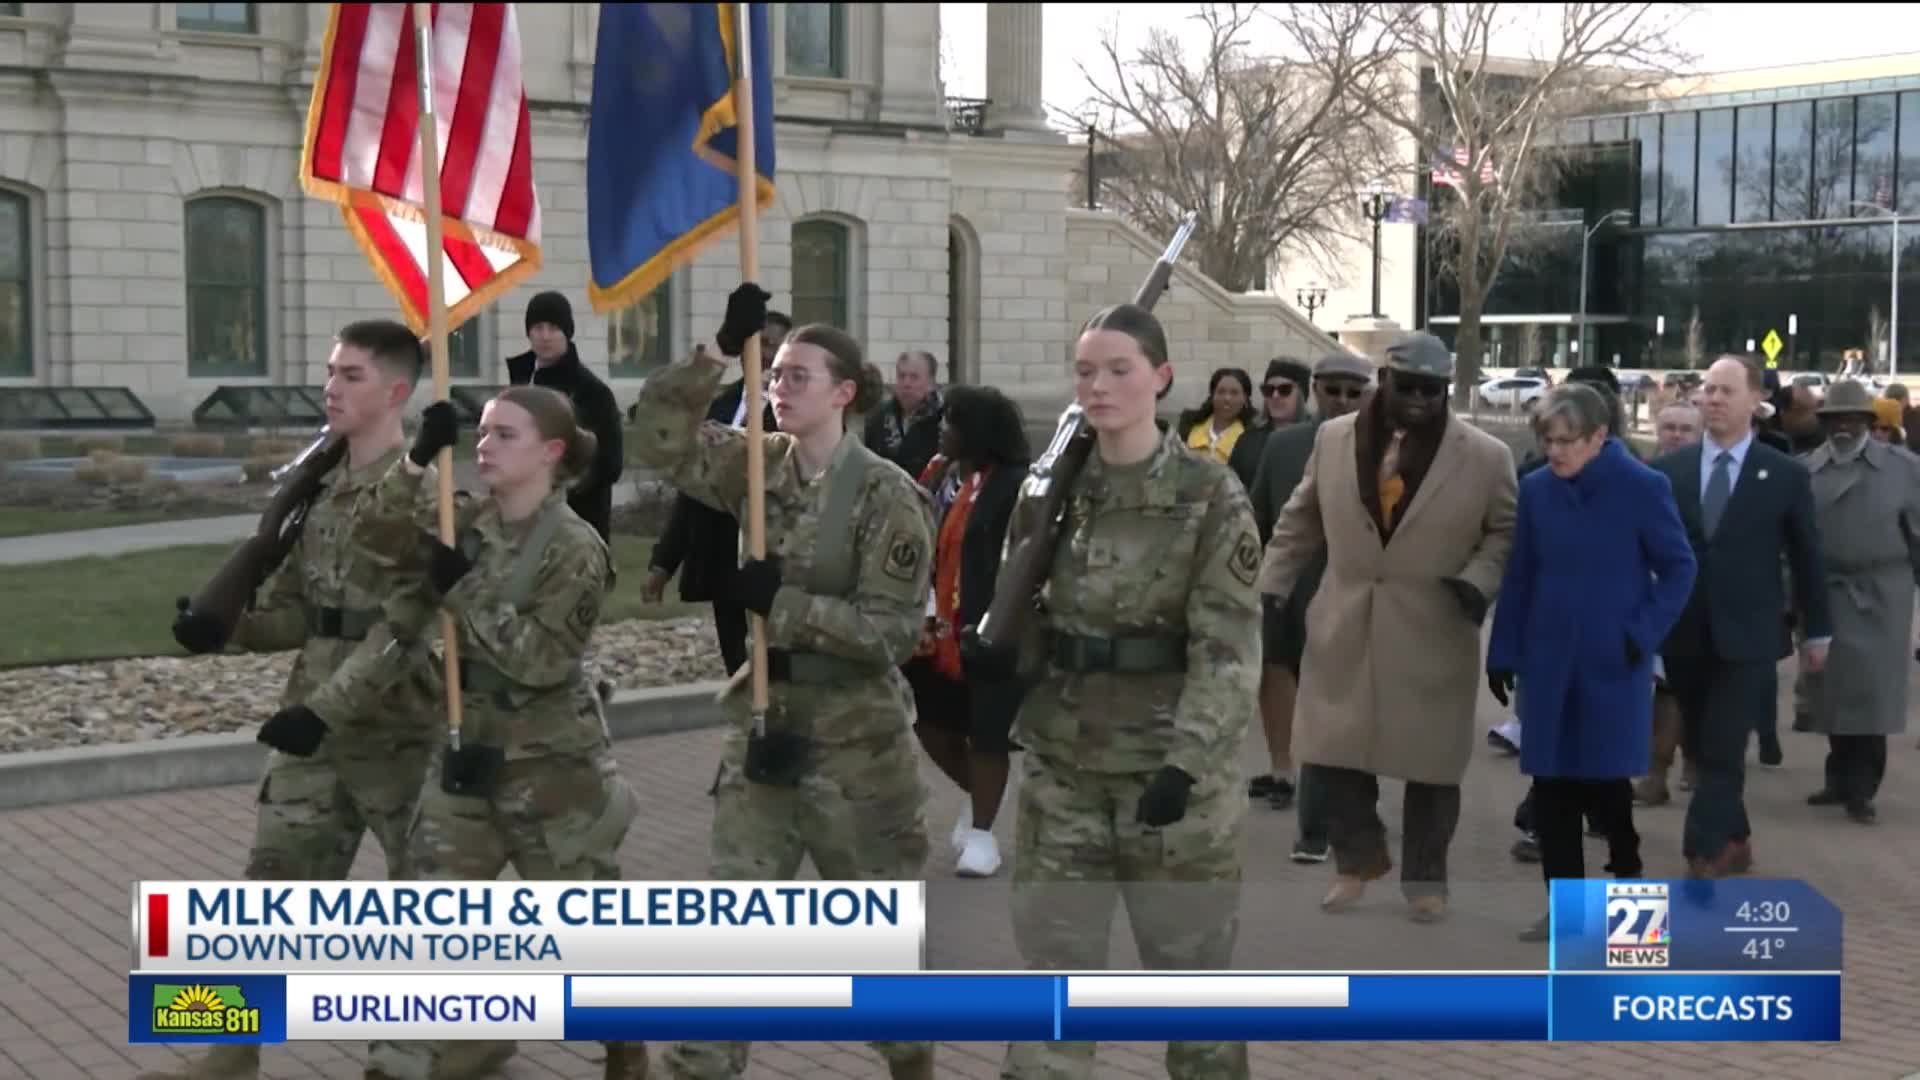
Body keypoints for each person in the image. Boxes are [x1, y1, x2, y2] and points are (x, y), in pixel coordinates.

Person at [630, 285, 939, 1080]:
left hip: (858, 750)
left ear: (845, 392)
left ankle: (910, 1059)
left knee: (876, 947)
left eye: (799, 375)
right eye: (773, 373)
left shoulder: (886, 496)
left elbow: (892, 633)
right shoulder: (753, 464)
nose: (779, 386)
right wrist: (715, 353)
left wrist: (785, 605)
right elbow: (659, 441)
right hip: (765, 728)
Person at [145, 322, 445, 1080]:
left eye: (351, 375)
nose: (331, 387)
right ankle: (228, 1050)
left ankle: (403, 1058)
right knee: (271, 885)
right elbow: (300, 611)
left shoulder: (427, 492)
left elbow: (407, 623)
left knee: (417, 901)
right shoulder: (318, 484)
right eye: (331, 373)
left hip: (396, 722)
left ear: (396, 393)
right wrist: (226, 625)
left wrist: (325, 709)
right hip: (312, 717)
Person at [990, 302, 1260, 1080]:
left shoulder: (1209, 494)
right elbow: (1019, 599)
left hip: (1169, 776)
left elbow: (1229, 647)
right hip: (1063, 765)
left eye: (1119, 370)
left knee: (1194, 989)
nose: (1099, 386)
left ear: (1162, 379)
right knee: (1052, 979)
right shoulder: (1054, 490)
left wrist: (1189, 762)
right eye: (1085, 372)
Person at [353, 387, 645, 1080]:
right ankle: (406, 1059)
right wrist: (416, 461)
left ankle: (627, 1048)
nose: (483, 445)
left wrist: (463, 590)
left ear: (550, 452)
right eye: (481, 432)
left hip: (553, 772)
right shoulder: (465, 520)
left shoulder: (575, 548)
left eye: (504, 434)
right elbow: (373, 538)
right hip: (464, 754)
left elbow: (540, 661)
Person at [1257, 331, 1516, 923]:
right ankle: (1358, 860)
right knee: (1327, 752)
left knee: (1431, 765)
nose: (1422, 399)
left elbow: (1504, 530)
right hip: (1345, 620)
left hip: (1435, 625)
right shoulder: (1333, 438)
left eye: (1434, 390)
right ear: (1385, 381)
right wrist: (1271, 585)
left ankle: (1427, 881)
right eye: (1410, 387)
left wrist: (1479, 579)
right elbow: (1300, 520)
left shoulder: (1484, 455)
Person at [1486, 384, 1696, 941]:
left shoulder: (1643, 488)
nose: (1556, 452)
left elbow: (1679, 568)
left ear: (1599, 437)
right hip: (1548, 661)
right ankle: (1566, 913)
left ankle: (1630, 897)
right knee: (1552, 789)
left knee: (1606, 791)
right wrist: (1503, 650)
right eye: (1547, 441)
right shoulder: (1536, 491)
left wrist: (1641, 634)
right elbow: (1521, 574)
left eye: (1567, 441)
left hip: (1612, 660)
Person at [1648, 354, 1829, 879]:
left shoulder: (1785, 474)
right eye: (1709, 390)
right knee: (1704, 744)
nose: (1714, 399)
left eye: (1727, 391)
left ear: (1756, 401)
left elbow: (1807, 557)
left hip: (1750, 634)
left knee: (1725, 745)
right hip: (1684, 632)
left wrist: (1817, 631)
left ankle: (1702, 852)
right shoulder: (1668, 472)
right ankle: (1736, 838)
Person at [1244, 350, 1372, 869]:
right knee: (1277, 675)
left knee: (1342, 700)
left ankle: (1341, 803)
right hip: (1287, 587)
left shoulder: (1387, 447)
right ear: (1315, 388)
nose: (1340, 399)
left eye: (1352, 390)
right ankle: (1282, 769)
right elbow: (1259, 515)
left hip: (1353, 591)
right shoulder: (1285, 444)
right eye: (1332, 388)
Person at [903, 384, 1031, 878]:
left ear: (976, 431)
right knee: (931, 726)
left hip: (991, 630)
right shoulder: (938, 476)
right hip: (935, 627)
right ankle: (981, 799)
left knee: (987, 735)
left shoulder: (1016, 485)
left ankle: (982, 834)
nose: (942, 429)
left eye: (952, 421)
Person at [1793, 380, 1920, 824]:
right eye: (1834, 419)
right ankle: (1837, 778)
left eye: (1852, 418)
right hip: (1825, 590)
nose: (1843, 426)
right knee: (1830, 693)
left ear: (1870, 422)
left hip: (1882, 592)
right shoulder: (1805, 469)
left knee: (1872, 695)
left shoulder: (1903, 469)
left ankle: (1862, 788)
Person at [644, 308, 790, 676]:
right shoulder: (720, 405)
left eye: (777, 345)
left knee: (775, 672)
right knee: (737, 669)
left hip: (773, 560)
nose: (768, 352)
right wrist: (664, 563)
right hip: (721, 554)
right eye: (761, 343)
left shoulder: (795, 412)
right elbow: (691, 488)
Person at [506, 290, 626, 542]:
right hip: (521, 519)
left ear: (567, 332)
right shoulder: (520, 383)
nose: (545, 336)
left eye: (553, 327)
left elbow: (609, 464)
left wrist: (563, 492)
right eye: (538, 327)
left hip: (576, 525)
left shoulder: (592, 392)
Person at [1636, 401, 1705, 808]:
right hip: (1653, 595)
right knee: (1664, 690)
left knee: (1691, 690)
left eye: (1685, 429)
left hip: (1700, 597)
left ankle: (1695, 759)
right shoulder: (1643, 476)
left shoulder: (1708, 476)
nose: (1676, 435)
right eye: (1669, 428)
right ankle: (1655, 772)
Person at [1226, 357, 1311, 490]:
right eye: (1269, 390)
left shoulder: (1317, 438)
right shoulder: (1248, 440)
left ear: (1301, 395)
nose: (1275, 396)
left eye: (1285, 390)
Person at [863, 348, 944, 481]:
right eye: (901, 376)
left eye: (914, 377)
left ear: (931, 383)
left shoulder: (943, 419)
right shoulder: (879, 417)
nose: (906, 384)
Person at [1176, 366, 1257, 471]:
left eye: (1234, 393)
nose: (1227, 398)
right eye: (1221, 392)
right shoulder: (1190, 426)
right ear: (1212, 395)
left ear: (1245, 398)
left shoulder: (1252, 435)